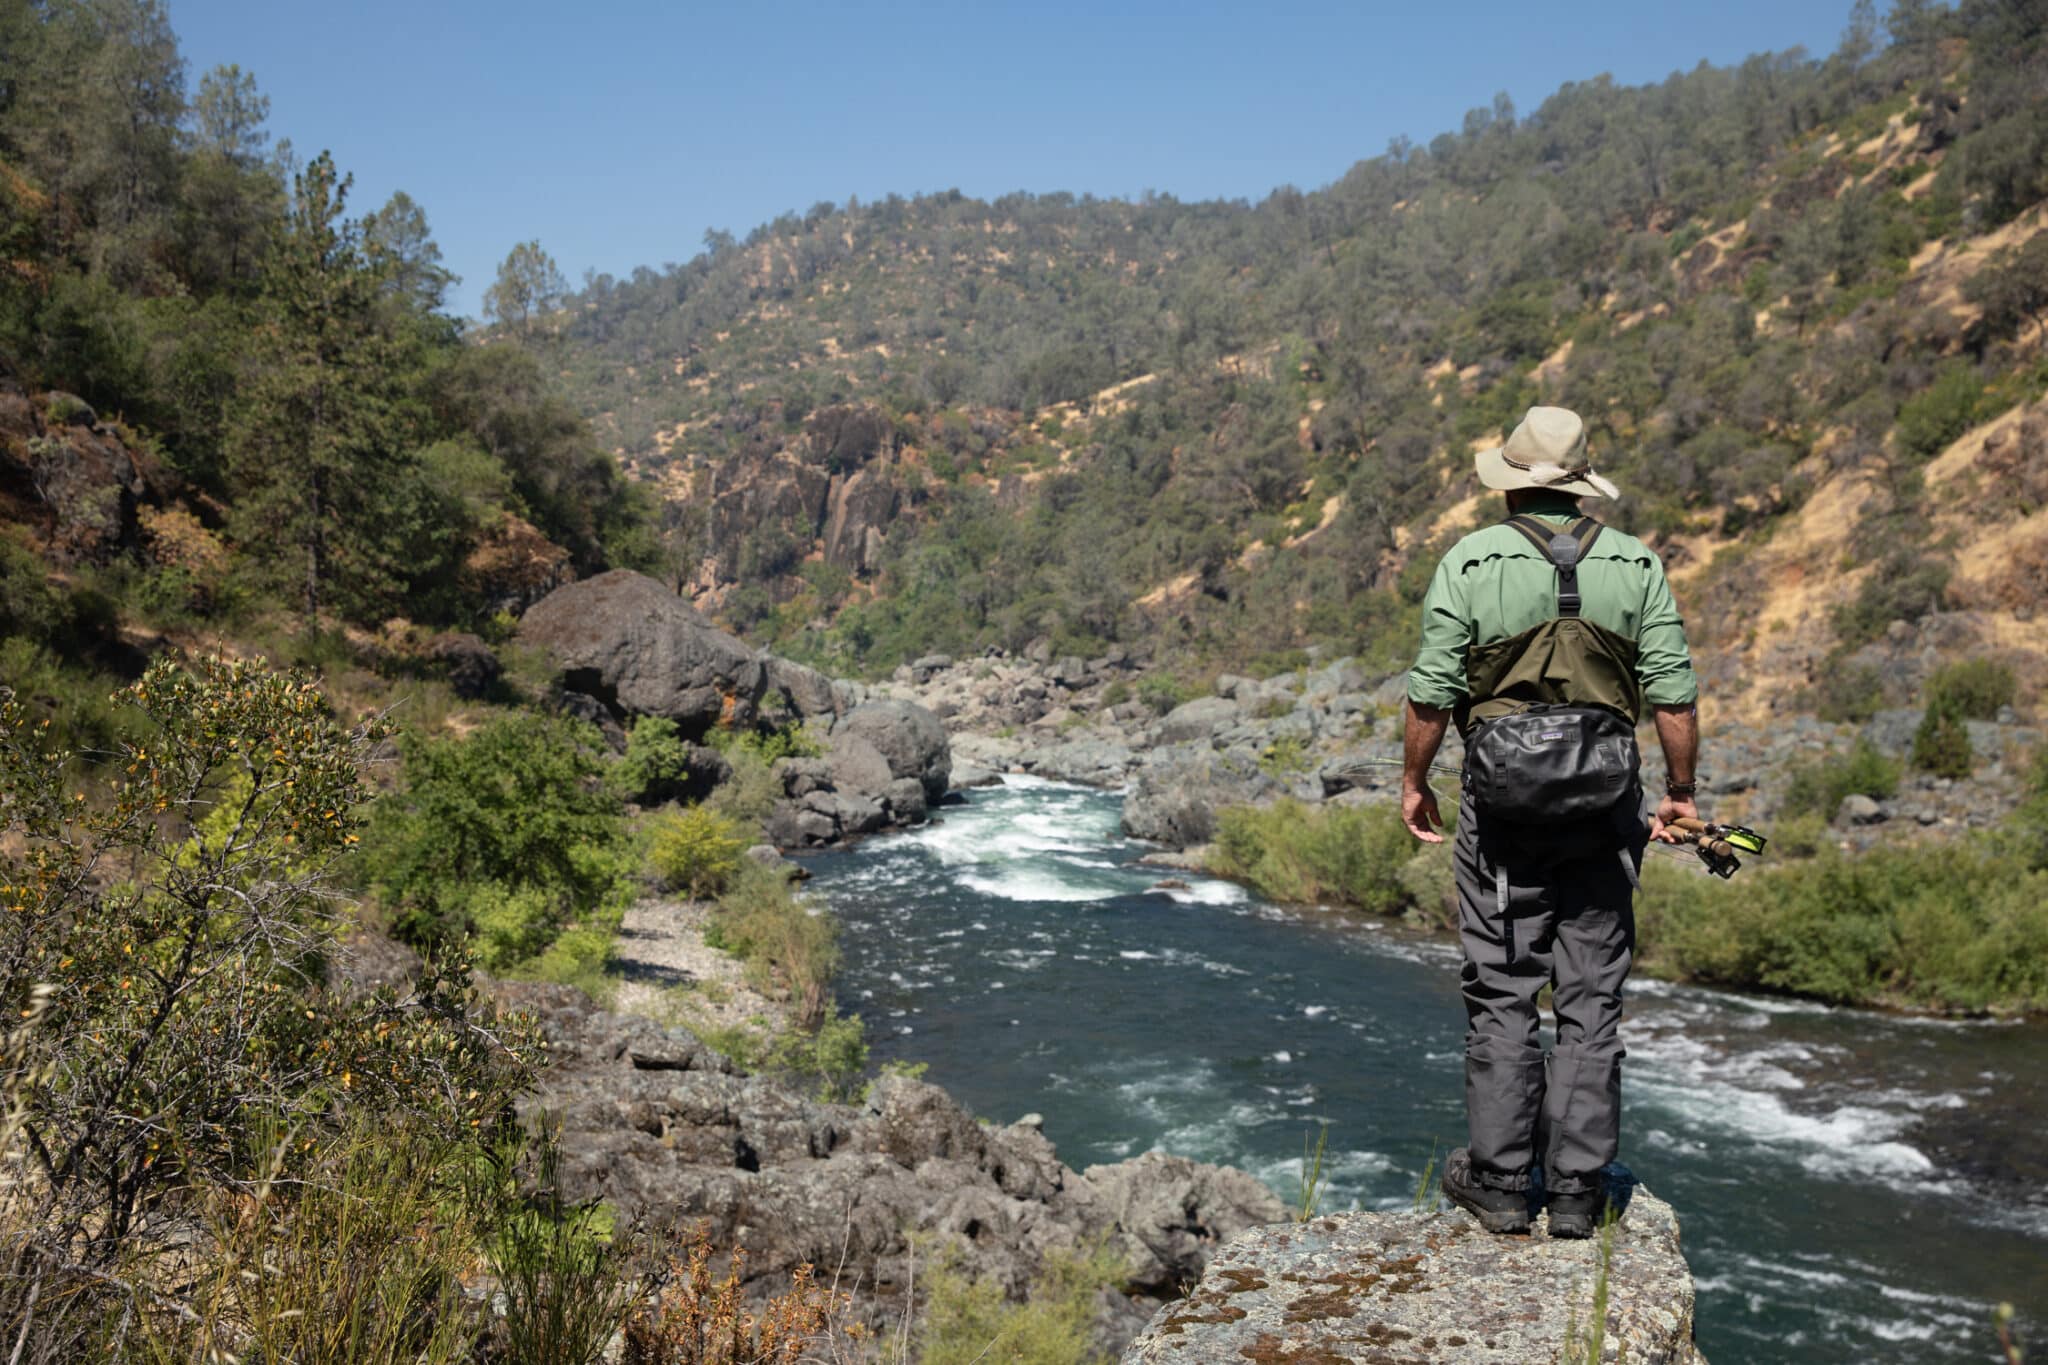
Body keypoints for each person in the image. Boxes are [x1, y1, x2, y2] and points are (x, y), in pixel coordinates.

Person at [1399, 405, 1700, 1239]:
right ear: (1578, 485)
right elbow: (1673, 692)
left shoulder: (1469, 560)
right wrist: (1680, 791)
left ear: (1514, 486)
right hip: (1606, 813)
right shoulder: (1636, 564)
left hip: (1501, 817)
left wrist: (1414, 781)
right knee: (1590, 997)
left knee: (1501, 991)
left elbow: (1432, 690)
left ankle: (1499, 1181)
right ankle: (1575, 1189)